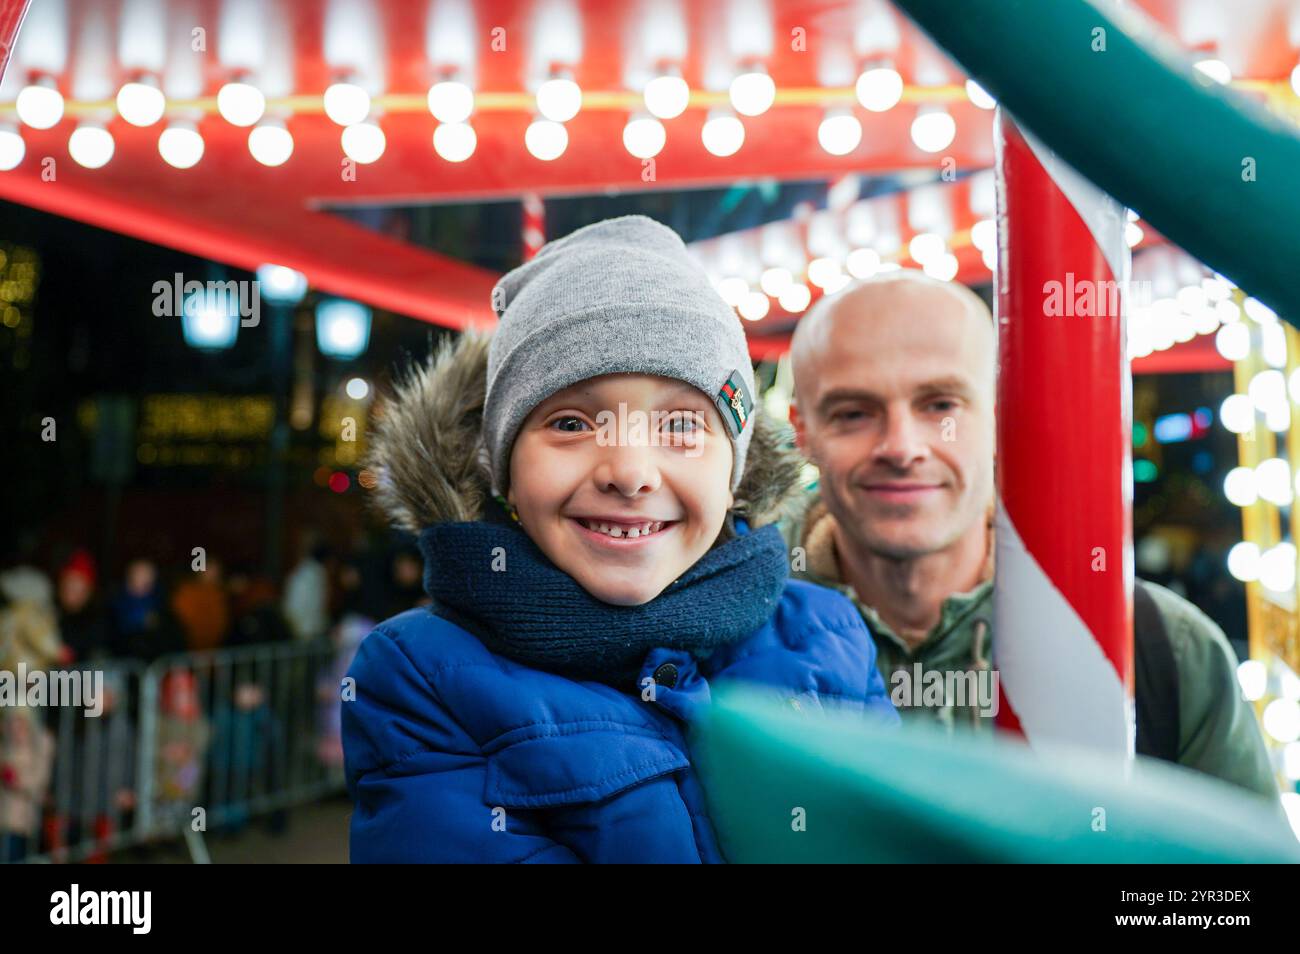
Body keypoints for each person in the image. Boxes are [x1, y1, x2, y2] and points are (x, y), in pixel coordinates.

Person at [342, 215, 897, 863]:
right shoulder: (421, 675)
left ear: (734, 473)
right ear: (504, 474)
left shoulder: (829, 635)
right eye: (573, 422)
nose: (630, 472)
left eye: (683, 425)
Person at [785, 270, 1277, 798]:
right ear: (802, 432)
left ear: (999, 417)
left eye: (941, 405)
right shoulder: (737, 640)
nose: (902, 447)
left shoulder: (1160, 647)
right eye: (854, 413)